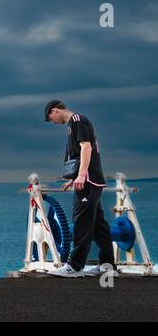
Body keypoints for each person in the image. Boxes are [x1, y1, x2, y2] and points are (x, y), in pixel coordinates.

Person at [44, 100, 116, 277]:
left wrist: (82, 175)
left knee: (81, 221)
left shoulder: (77, 120)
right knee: (99, 225)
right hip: (90, 181)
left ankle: (75, 266)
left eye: (51, 118)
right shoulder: (74, 124)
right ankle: (108, 267)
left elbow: (86, 148)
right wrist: (74, 177)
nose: (53, 122)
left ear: (55, 110)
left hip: (88, 181)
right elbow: (79, 153)